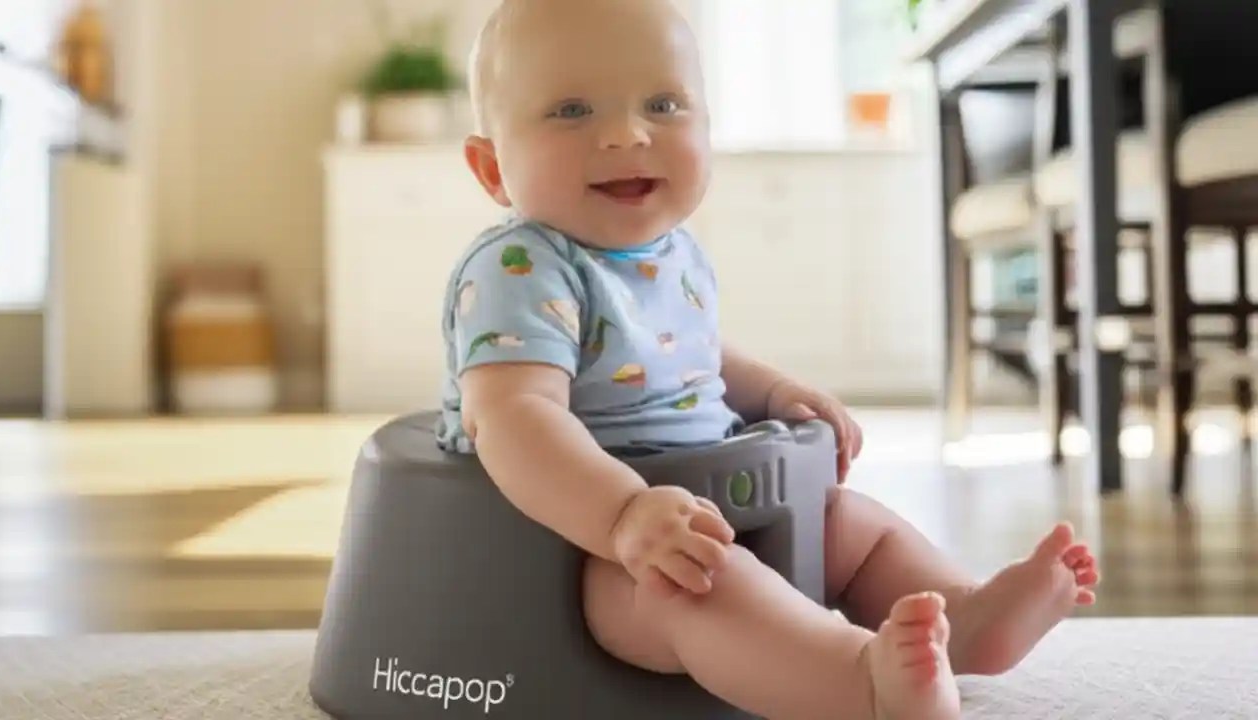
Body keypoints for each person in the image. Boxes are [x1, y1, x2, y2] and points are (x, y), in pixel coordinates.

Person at [435, 1, 1100, 717]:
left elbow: (690, 355)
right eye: (572, 110)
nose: (628, 134)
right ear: (492, 168)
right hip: (579, 550)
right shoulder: (519, 269)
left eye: (662, 104)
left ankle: (962, 617)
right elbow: (514, 417)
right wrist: (623, 515)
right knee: (699, 587)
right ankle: (860, 682)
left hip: (708, 502)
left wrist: (776, 392)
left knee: (851, 527)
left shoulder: (669, 252)